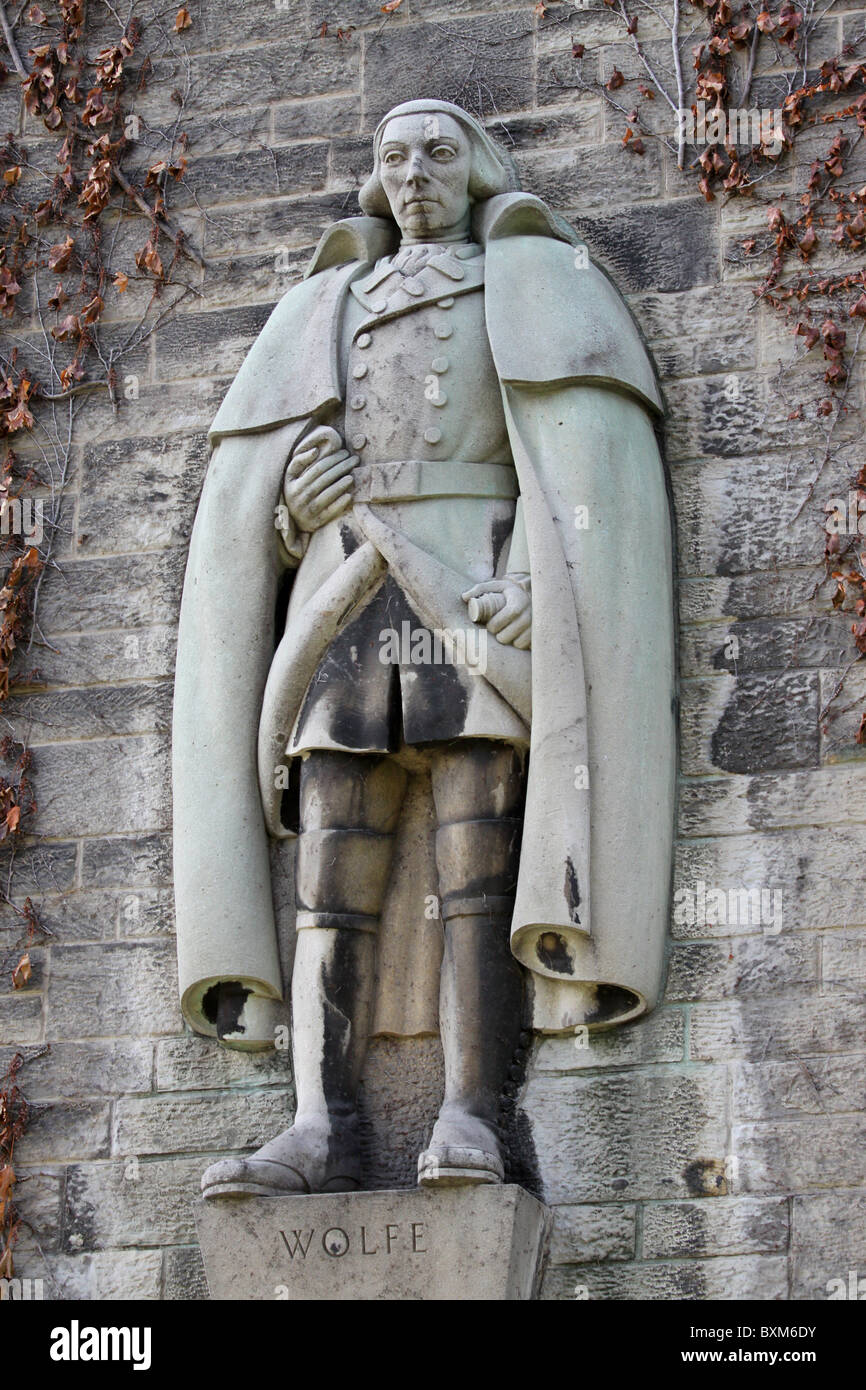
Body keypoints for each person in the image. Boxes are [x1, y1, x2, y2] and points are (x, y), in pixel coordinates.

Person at [172, 99, 677, 1198]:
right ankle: (320, 1123)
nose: (413, 175)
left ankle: (470, 1115)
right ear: (374, 181)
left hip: (467, 596)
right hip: (346, 594)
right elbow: (256, 500)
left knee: (476, 863)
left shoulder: (534, 287)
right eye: (393, 158)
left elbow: (578, 465)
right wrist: (290, 514)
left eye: (437, 154)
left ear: (476, 169)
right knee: (328, 868)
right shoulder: (325, 304)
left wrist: (541, 582)